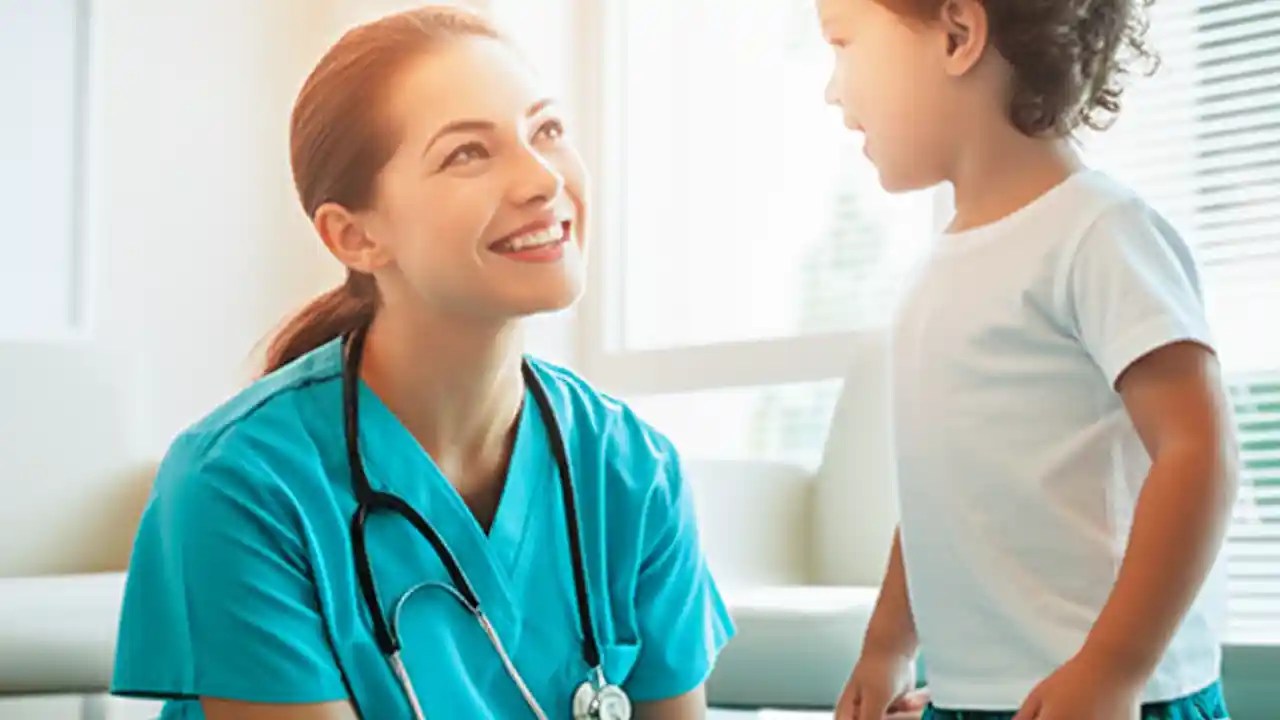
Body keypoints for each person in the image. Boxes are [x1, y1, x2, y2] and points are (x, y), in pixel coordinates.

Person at [109, 7, 734, 719]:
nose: (541, 180)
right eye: (468, 152)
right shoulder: (240, 484)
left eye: (547, 131)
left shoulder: (631, 473)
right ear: (355, 236)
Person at [816, 1, 1239, 719]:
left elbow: (1199, 451)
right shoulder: (932, 277)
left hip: (1114, 696)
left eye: (845, 45)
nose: (833, 89)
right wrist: (889, 644)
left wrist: (1113, 668)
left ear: (958, 35)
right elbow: (936, 487)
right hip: (980, 698)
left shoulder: (1098, 231)